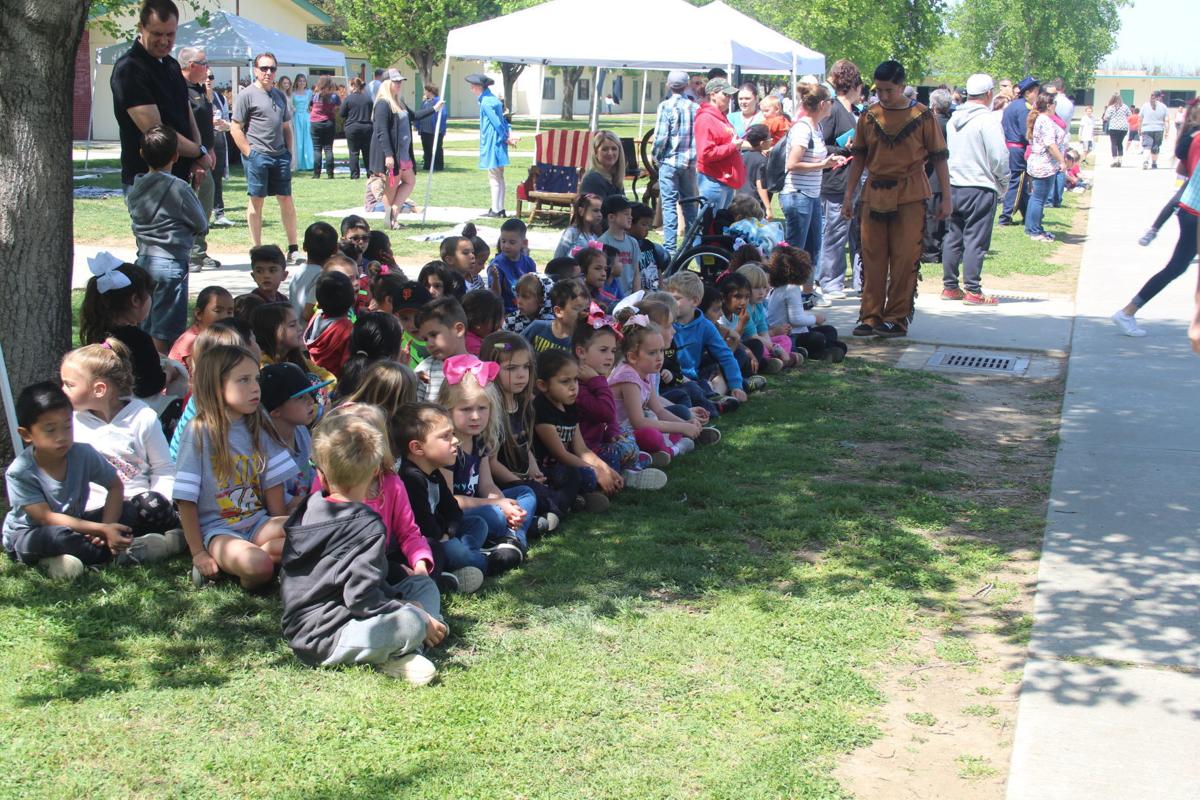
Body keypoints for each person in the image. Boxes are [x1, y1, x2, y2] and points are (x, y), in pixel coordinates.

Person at [280, 412, 446, 685]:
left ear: (320, 473)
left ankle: (408, 646)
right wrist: (413, 612)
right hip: (327, 636)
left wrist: (406, 602)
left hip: (309, 625)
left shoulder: (308, 508)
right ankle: (410, 647)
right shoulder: (366, 525)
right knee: (412, 623)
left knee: (423, 586)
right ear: (373, 472)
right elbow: (362, 599)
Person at [842, 60, 950, 338]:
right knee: (871, 257)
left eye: (889, 90)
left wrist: (946, 198)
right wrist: (849, 195)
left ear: (902, 86)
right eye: (878, 90)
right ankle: (870, 315)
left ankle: (896, 317)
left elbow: (939, 158)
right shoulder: (869, 115)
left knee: (905, 258)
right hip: (874, 194)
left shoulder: (922, 116)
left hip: (911, 194)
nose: (883, 96)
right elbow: (859, 158)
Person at [173, 344, 292, 589]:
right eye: (244, 380)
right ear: (217, 386)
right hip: (219, 531)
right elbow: (185, 499)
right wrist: (198, 553)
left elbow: (273, 483)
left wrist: (282, 523)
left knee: (306, 531)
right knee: (259, 566)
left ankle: (268, 555)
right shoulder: (199, 431)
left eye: (256, 379)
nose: (255, 388)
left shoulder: (259, 421)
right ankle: (258, 566)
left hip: (259, 522)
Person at [3, 383, 133, 579]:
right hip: (32, 534)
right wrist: (102, 530)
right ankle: (127, 551)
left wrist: (108, 525)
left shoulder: (82, 453)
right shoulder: (20, 472)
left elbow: (115, 485)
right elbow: (47, 518)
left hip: (78, 525)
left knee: (141, 508)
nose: (62, 437)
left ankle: (97, 551)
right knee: (57, 537)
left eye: (67, 426)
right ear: (26, 434)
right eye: (50, 430)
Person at [62, 344, 181, 543]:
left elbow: (163, 469)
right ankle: (128, 540)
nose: (62, 390)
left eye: (69, 385)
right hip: (92, 509)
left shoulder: (142, 417)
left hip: (135, 505)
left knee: (153, 506)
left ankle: (165, 535)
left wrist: (161, 498)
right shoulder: (71, 422)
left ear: (99, 389)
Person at [396, 402, 510, 584]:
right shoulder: (410, 479)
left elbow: (453, 510)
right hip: (424, 545)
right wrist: (446, 536)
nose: (456, 441)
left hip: (443, 535)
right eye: (446, 436)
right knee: (455, 551)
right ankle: (487, 561)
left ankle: (459, 567)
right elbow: (425, 528)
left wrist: (448, 533)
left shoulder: (434, 471)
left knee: (478, 524)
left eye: (453, 434)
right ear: (417, 448)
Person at [438, 355, 538, 556]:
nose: (475, 416)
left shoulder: (479, 440)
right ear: (448, 411)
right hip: (458, 513)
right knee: (492, 517)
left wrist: (505, 505)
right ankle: (514, 534)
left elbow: (486, 485)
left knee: (525, 493)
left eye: (482, 408)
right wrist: (497, 506)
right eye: (466, 409)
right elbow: (449, 501)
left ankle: (513, 536)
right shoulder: (446, 447)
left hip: (482, 504)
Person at [1112, 109, 1200, 337]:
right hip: (1194, 213)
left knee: (1176, 267)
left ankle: (1128, 311)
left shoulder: (1194, 138)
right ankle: (1127, 312)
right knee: (1176, 267)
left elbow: (1184, 173)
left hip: (1189, 210)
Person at [126, 124, 208, 352]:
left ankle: (146, 372)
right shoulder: (178, 188)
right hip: (171, 264)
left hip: (144, 261)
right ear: (176, 155)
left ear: (142, 154)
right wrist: (196, 191)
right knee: (165, 331)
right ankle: (161, 375)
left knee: (145, 323)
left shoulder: (136, 187)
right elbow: (201, 224)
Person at [110, 0, 206, 195]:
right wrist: (199, 152)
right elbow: (157, 133)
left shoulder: (171, 65)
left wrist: (197, 155)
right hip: (148, 180)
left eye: (170, 34)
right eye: (157, 34)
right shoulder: (129, 69)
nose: (164, 41)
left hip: (181, 174)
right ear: (141, 28)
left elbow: (186, 111)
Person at [942, 74, 1009, 305]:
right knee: (975, 240)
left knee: (953, 236)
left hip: (954, 184)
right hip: (980, 185)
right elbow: (998, 156)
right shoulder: (987, 121)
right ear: (989, 93)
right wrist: (1004, 182)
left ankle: (950, 286)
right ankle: (973, 290)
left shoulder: (953, 119)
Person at [230, 52, 301, 263]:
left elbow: (286, 127)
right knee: (256, 200)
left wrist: (289, 153)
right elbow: (235, 127)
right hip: (257, 155)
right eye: (264, 68)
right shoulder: (246, 95)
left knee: (286, 199)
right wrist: (249, 153)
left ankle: (293, 248)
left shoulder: (280, 96)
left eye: (272, 68)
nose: (268, 72)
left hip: (279, 155)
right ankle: (257, 248)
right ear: (256, 70)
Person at [531, 350, 617, 512]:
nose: (573, 387)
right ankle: (577, 498)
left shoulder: (569, 405)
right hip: (547, 470)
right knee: (584, 476)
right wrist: (595, 471)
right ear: (543, 385)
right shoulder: (541, 409)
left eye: (575, 380)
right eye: (565, 381)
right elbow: (561, 454)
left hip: (568, 465)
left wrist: (605, 469)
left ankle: (585, 495)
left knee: (610, 459)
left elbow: (581, 449)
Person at [78, 258, 170, 406]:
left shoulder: (94, 334)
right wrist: (170, 373)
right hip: (131, 413)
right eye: (149, 295)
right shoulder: (139, 340)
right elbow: (149, 386)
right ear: (136, 300)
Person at [817, 59, 865, 299]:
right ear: (854, 85)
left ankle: (859, 280)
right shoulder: (835, 109)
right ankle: (830, 281)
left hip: (853, 181)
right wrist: (844, 148)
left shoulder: (852, 112)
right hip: (836, 181)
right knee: (835, 232)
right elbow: (820, 145)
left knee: (856, 232)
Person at [781, 84, 841, 270]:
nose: (832, 105)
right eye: (831, 101)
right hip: (798, 195)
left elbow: (813, 156)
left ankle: (807, 293)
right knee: (795, 250)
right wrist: (822, 165)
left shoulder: (817, 128)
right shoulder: (803, 129)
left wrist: (829, 159)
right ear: (823, 104)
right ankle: (787, 292)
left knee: (812, 248)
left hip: (812, 194)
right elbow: (792, 164)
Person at [371, 70, 441, 229]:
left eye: (400, 81)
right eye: (396, 82)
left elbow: (414, 116)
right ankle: (390, 220)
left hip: (403, 153)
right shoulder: (383, 103)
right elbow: (381, 131)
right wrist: (388, 155)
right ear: (387, 83)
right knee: (391, 187)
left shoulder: (399, 102)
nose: (399, 84)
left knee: (409, 181)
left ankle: (393, 212)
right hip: (391, 154)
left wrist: (435, 108)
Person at [664, 270, 747, 402]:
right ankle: (711, 398)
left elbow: (725, 356)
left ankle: (719, 395)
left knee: (720, 370)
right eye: (668, 298)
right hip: (670, 378)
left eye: (676, 299)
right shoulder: (664, 322)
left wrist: (736, 386)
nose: (670, 303)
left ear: (695, 301)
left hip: (695, 376)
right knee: (690, 391)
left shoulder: (705, 326)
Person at [652, 70, 700, 258]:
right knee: (690, 205)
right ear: (687, 85)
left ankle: (670, 248)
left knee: (669, 205)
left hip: (670, 162)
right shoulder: (695, 107)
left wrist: (656, 155)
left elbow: (661, 137)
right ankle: (692, 245)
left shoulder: (665, 106)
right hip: (689, 163)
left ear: (668, 85)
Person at [766, 246, 845, 361]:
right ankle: (817, 352)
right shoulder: (791, 289)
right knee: (819, 337)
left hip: (793, 332)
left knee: (829, 331)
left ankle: (826, 350)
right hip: (792, 336)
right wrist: (815, 319)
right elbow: (796, 319)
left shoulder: (778, 288)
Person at [178, 47, 218, 273]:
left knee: (205, 203)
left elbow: (203, 122)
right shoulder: (178, 89)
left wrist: (210, 148)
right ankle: (193, 253)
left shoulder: (198, 88)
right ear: (191, 65)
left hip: (204, 156)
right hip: (191, 160)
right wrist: (195, 158)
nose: (208, 68)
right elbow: (183, 126)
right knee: (195, 206)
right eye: (205, 63)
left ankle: (199, 251)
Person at [466, 73, 513, 218]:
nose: (471, 88)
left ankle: (495, 209)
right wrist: (507, 135)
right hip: (498, 141)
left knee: (493, 176)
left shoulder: (486, 102)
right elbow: (503, 121)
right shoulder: (493, 99)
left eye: (473, 86)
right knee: (499, 176)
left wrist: (505, 136)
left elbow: (496, 122)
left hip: (493, 141)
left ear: (480, 87)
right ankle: (500, 208)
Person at [695, 78, 744, 212]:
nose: (729, 98)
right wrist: (733, 146)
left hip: (724, 179)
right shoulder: (706, 118)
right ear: (712, 95)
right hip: (713, 180)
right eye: (725, 94)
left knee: (718, 224)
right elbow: (705, 154)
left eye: (730, 95)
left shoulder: (720, 117)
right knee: (709, 225)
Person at [1025, 93, 1069, 243]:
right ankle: (1035, 231)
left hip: (1039, 162)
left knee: (1036, 197)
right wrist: (1062, 161)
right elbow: (1051, 144)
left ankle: (1032, 227)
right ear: (1050, 106)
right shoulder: (1045, 121)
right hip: (1044, 165)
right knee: (1039, 198)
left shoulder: (1041, 119)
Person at [998, 76, 1040, 225]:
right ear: (1028, 92)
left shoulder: (1013, 105)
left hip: (1010, 147)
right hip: (1018, 149)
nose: (1037, 94)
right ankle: (1005, 216)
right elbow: (1026, 132)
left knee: (1020, 184)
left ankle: (1027, 213)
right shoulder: (1024, 108)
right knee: (1017, 183)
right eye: (1036, 91)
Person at [168, 285, 234, 371]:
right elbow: (203, 376)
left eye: (229, 312)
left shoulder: (217, 337)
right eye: (218, 311)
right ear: (199, 314)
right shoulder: (192, 341)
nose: (225, 316)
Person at [304, 272, 356, 377]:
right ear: (353, 300)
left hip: (315, 378)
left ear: (318, 303)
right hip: (333, 383)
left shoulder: (316, 317)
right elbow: (347, 364)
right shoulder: (346, 328)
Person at [922, 88, 953, 263]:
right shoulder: (952, 123)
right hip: (948, 176)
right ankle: (943, 249)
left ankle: (931, 252)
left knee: (932, 217)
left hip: (932, 176)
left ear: (933, 106)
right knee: (945, 218)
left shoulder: (932, 124)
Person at [205, 69, 234, 228]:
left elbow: (230, 124)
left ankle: (219, 213)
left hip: (219, 141)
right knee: (201, 178)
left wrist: (224, 125)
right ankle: (201, 214)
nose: (208, 79)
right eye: (206, 76)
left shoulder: (220, 98)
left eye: (211, 77)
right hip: (202, 142)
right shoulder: (194, 97)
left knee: (217, 179)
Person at [488, 218, 536, 313]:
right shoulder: (496, 265)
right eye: (503, 241)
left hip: (527, 311)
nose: (506, 246)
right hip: (506, 313)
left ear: (524, 243)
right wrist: (495, 280)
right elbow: (495, 297)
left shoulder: (529, 263)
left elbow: (534, 289)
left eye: (512, 242)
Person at [598, 194, 640, 297]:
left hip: (629, 297)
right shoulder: (602, 242)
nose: (630, 217)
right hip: (610, 296)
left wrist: (636, 296)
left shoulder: (633, 242)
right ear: (611, 217)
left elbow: (636, 272)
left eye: (631, 214)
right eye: (626, 214)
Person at [578, 130, 627, 200]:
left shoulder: (614, 178)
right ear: (596, 153)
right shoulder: (593, 179)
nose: (610, 153)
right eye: (605, 149)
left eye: (614, 149)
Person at [341, 78, 373, 180]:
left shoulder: (348, 99)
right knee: (367, 152)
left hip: (352, 127)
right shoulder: (368, 98)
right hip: (367, 127)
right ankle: (370, 173)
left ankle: (355, 175)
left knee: (354, 152)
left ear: (354, 86)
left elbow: (342, 113)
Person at [308, 76, 340, 179]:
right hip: (329, 122)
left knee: (317, 149)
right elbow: (338, 107)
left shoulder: (315, 95)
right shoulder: (333, 96)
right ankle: (330, 174)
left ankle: (316, 174)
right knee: (328, 148)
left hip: (315, 123)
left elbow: (310, 107)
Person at [555, 193, 602, 259]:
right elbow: (557, 258)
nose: (600, 214)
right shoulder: (571, 233)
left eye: (600, 211)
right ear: (581, 211)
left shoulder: (595, 236)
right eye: (595, 211)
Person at [417, 84, 448, 171]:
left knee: (437, 148)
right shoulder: (425, 102)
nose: (424, 92)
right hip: (425, 130)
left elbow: (443, 114)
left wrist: (439, 128)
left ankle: (438, 166)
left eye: (426, 90)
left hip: (434, 130)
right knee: (426, 148)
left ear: (430, 91)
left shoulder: (438, 101)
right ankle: (428, 164)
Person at [290, 74, 314, 173]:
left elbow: (312, 104)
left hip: (306, 117)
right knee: (298, 140)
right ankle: (298, 163)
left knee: (308, 140)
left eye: (303, 81)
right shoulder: (292, 93)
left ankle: (309, 163)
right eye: (300, 81)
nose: (302, 83)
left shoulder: (309, 92)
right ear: (296, 82)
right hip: (296, 117)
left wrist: (311, 109)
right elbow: (290, 104)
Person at [1140, 91, 1170, 170]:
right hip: (1159, 129)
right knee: (1155, 146)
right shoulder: (1164, 106)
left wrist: (1139, 129)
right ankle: (1154, 163)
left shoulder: (1145, 105)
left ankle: (1146, 161)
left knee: (1147, 146)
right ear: (1160, 97)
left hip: (1146, 128)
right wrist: (1167, 131)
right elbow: (1167, 121)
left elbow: (1140, 118)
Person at [1102, 93, 1130, 168]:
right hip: (1123, 128)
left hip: (1114, 127)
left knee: (1113, 143)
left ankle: (1114, 160)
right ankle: (1120, 160)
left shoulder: (1110, 107)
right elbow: (1129, 115)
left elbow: (1106, 117)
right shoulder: (1125, 106)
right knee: (1120, 143)